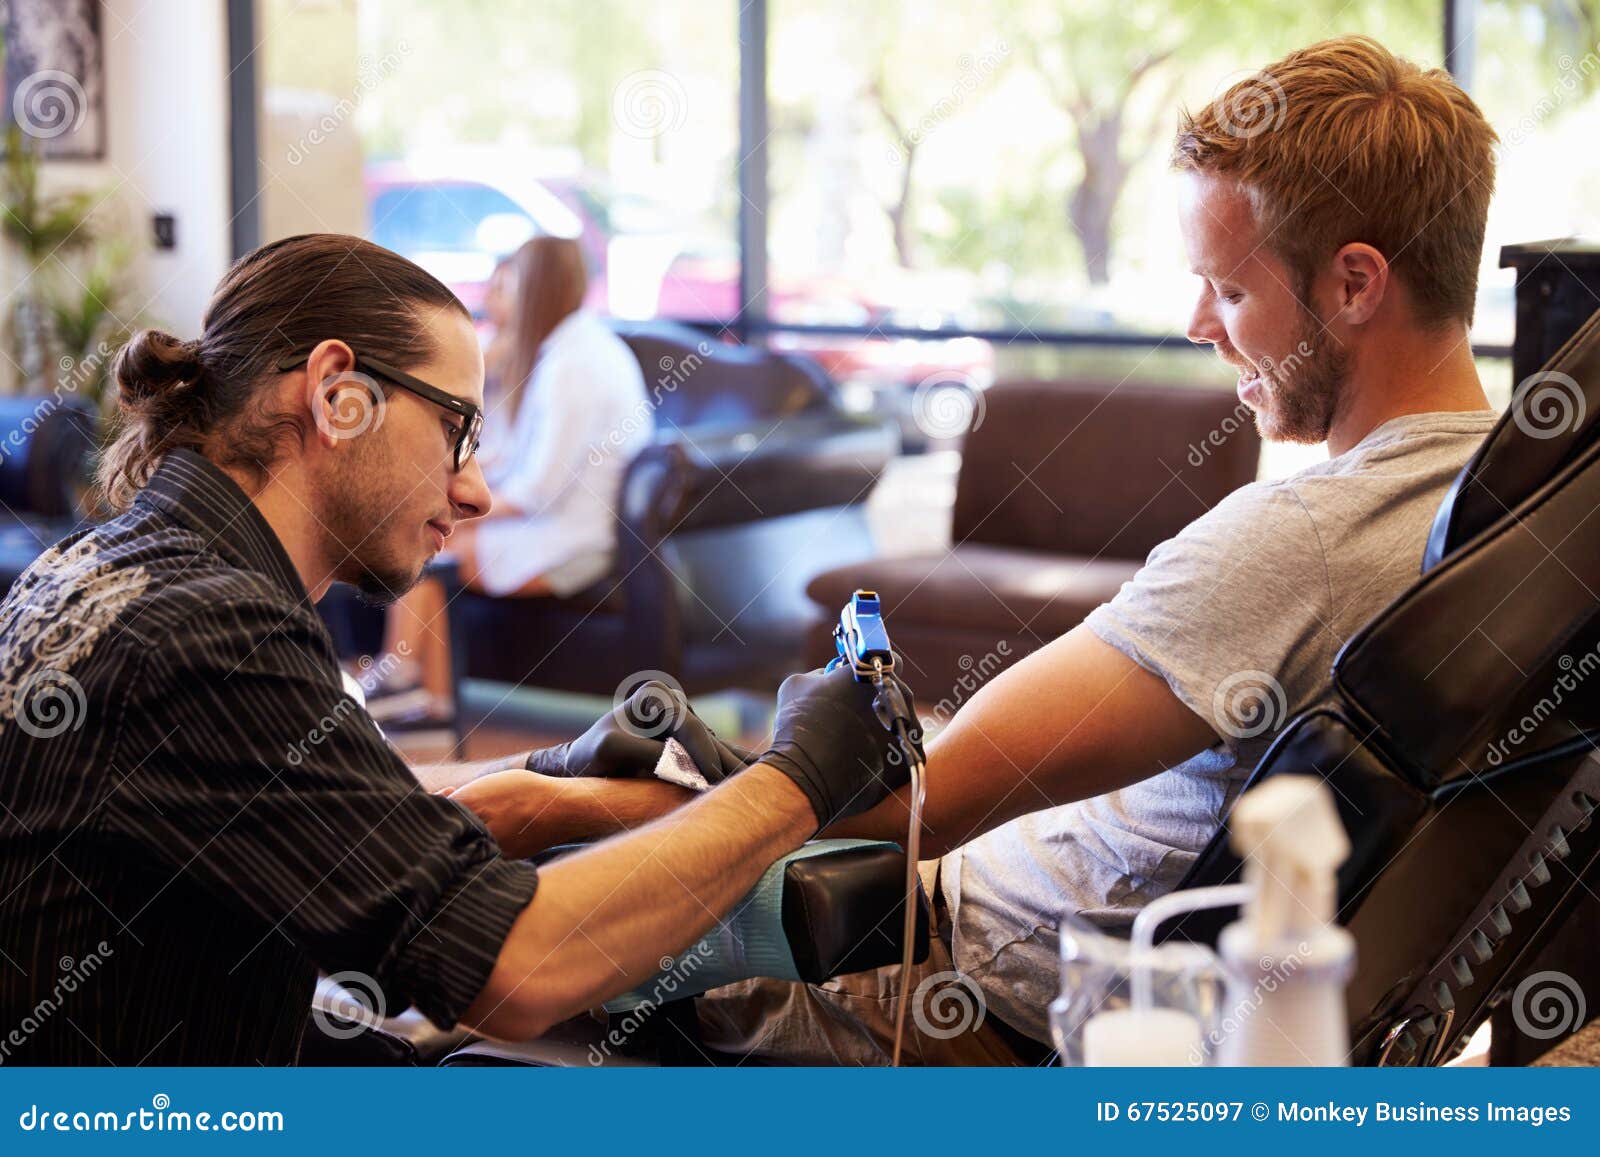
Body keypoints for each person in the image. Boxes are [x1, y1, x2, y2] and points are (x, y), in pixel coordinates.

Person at [445, 34, 1503, 1063]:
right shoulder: (1514, 510)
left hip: (930, 976)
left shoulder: (1296, 545)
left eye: (1229, 289)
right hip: (1045, 901)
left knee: (473, 925)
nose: (1198, 323)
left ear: (1355, 284)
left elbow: (914, 803)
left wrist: (559, 796)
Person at [0, 232, 909, 1065]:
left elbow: (310, 813)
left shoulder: (115, 566)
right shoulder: (211, 630)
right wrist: (797, 778)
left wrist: (544, 781)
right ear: (337, 395)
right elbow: (519, 966)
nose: (472, 489)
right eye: (456, 430)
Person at [375, 236, 652, 727]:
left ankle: (403, 679)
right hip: (562, 524)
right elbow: (519, 464)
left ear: (536, 288)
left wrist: (455, 508)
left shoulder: (573, 366)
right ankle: (429, 698)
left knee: (429, 541)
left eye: (511, 284)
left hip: (572, 542)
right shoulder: (573, 348)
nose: (498, 298)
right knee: (436, 533)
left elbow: (535, 492)